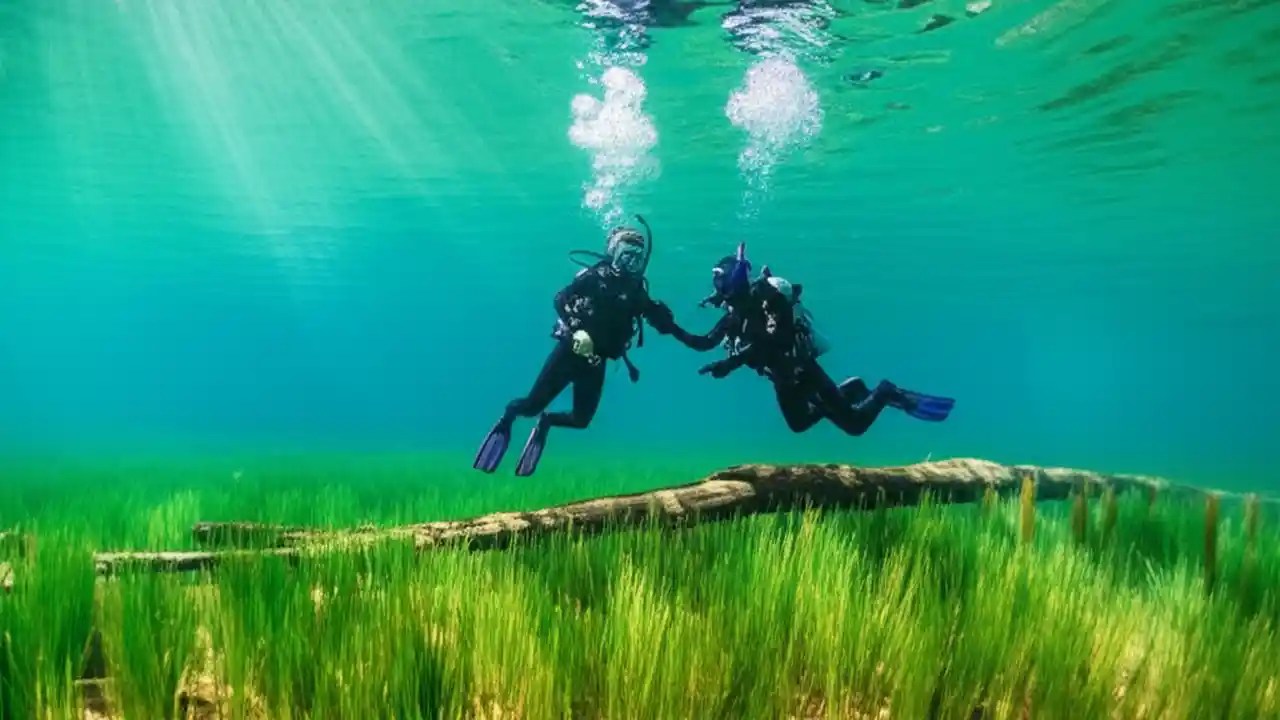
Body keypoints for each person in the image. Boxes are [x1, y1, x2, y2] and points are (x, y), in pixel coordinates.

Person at [665, 242, 955, 435]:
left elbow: (774, 340)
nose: (717, 287)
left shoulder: (772, 302)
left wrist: (732, 363)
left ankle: (886, 391)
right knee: (799, 425)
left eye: (720, 279)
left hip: (804, 371)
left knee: (855, 426)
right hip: (781, 380)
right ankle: (851, 389)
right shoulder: (733, 316)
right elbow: (704, 342)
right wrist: (671, 328)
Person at [472, 216, 684, 476]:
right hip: (568, 354)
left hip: (596, 362)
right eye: (625, 254)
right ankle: (508, 418)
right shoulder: (594, 277)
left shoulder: (637, 290)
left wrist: (673, 325)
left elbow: (659, 320)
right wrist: (575, 328)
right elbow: (560, 298)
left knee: (581, 420)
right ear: (613, 252)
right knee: (530, 406)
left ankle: (546, 423)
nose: (630, 261)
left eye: (636, 257)